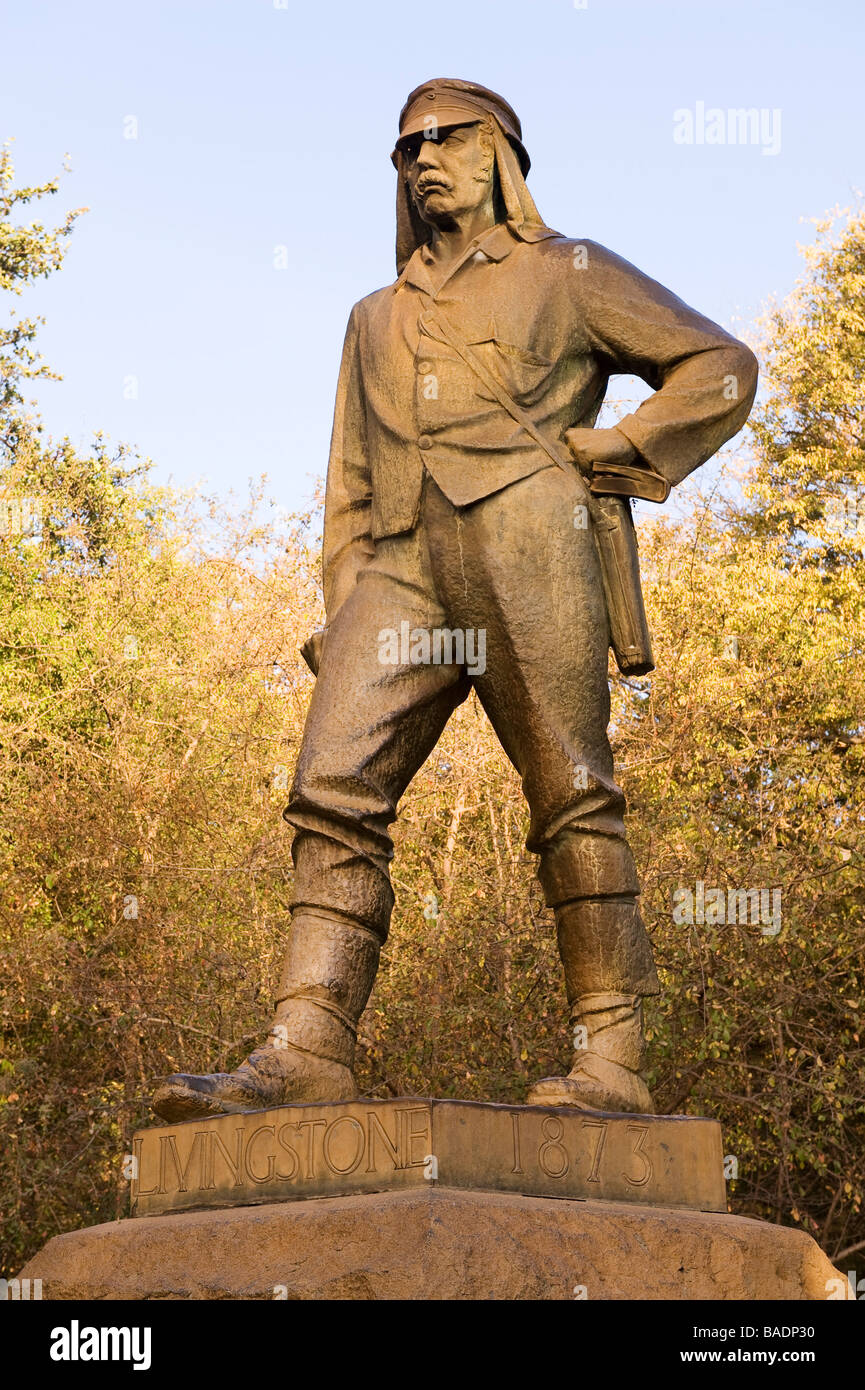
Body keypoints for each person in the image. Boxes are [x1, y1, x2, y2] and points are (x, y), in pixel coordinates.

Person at [153, 79, 757, 1123]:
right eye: (407, 148)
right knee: (330, 789)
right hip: (399, 565)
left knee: (573, 792)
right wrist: (344, 601)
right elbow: (346, 480)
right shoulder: (372, 316)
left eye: (448, 138)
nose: (424, 157)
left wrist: (616, 450)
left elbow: (720, 366)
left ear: (501, 156)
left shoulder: (566, 272)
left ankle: (611, 1059)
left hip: (531, 539)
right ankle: (306, 1045)